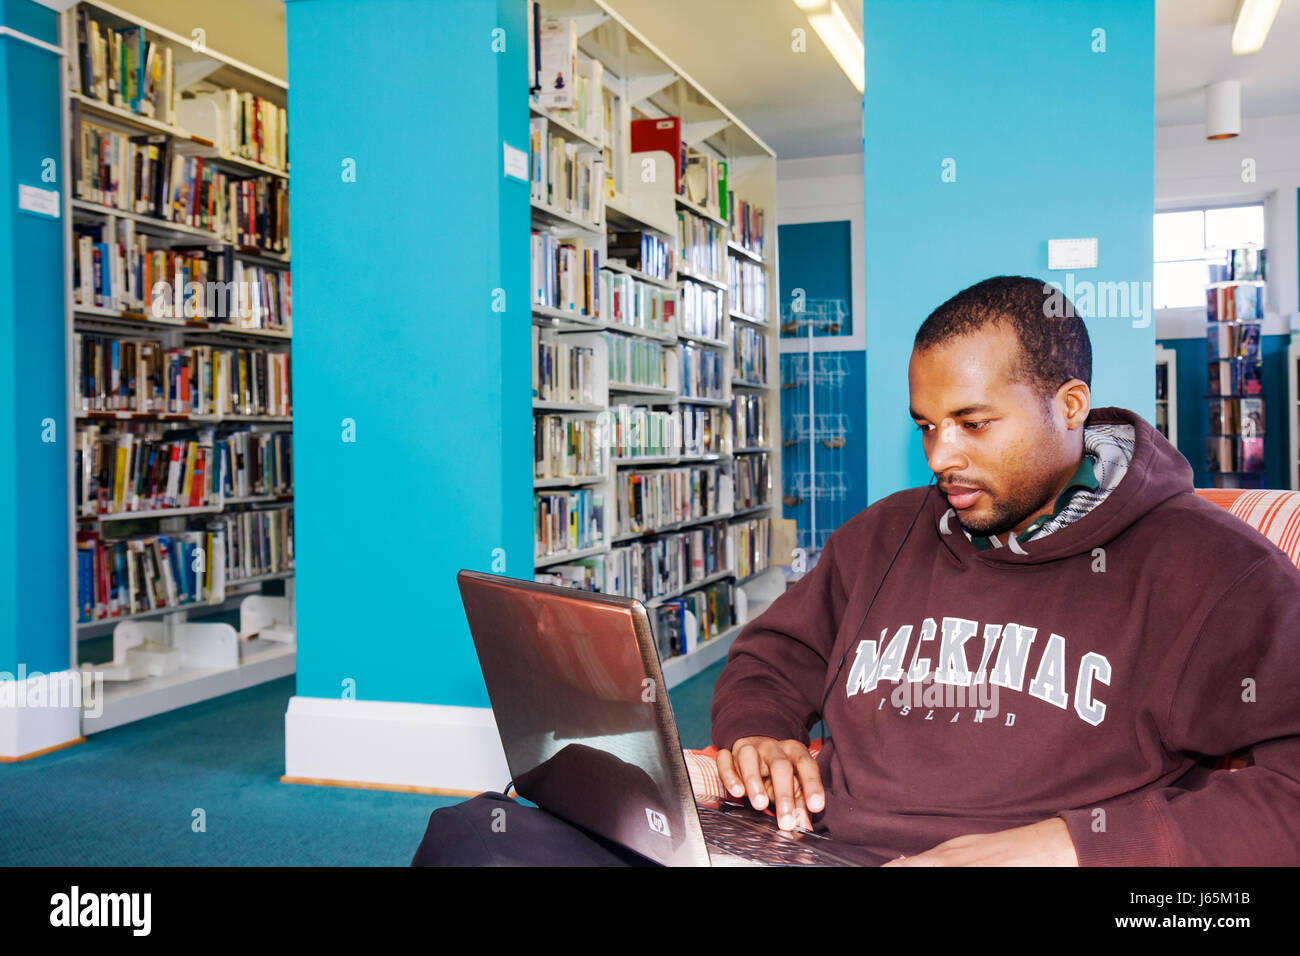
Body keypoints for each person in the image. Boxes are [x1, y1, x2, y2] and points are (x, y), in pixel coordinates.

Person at [710, 274, 1300, 866]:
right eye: (927, 426)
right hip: (815, 850)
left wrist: (1070, 846)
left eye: (973, 423)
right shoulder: (880, 536)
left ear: (1069, 406)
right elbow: (773, 658)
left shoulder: (1216, 568)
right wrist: (759, 730)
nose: (941, 457)